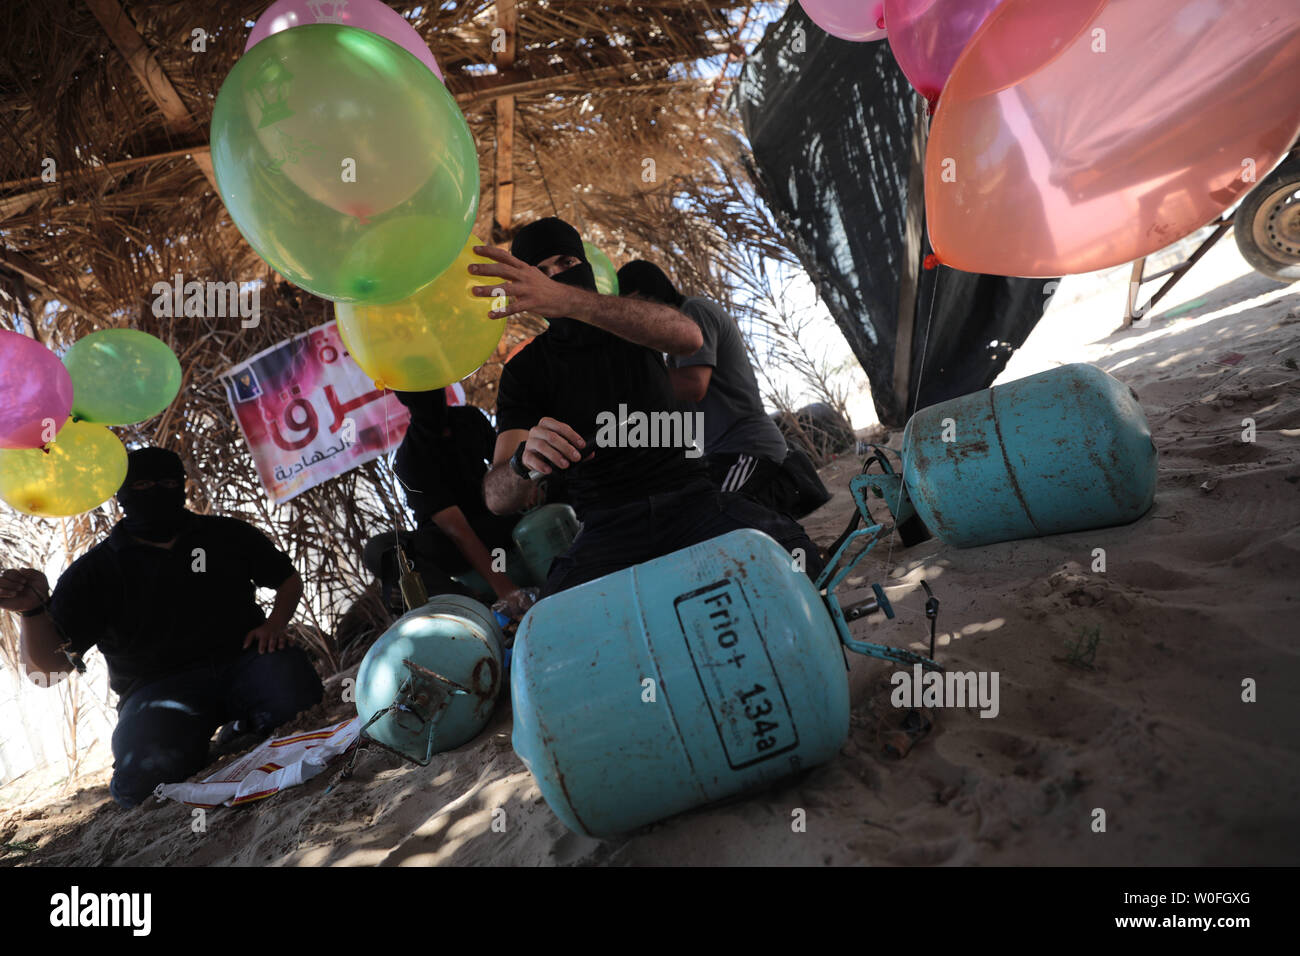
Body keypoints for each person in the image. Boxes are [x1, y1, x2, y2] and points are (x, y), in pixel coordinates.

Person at [469, 217, 824, 594]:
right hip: (607, 526)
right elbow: (496, 498)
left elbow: (687, 336)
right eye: (540, 272)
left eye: (565, 264)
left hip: (692, 499)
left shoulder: (629, 322)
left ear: (585, 266)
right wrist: (523, 464)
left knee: (796, 560)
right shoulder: (524, 371)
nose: (554, 277)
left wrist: (565, 299)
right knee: (556, 626)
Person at [0, 447, 322, 809]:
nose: (157, 491)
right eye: (143, 484)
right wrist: (32, 612)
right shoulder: (95, 572)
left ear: (182, 486)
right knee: (143, 784)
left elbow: (287, 580)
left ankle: (241, 728)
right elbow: (52, 670)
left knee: (300, 706)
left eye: (169, 482)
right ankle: (192, 741)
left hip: (246, 661)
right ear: (122, 495)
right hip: (156, 689)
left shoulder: (225, 534)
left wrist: (275, 624)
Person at [362, 387, 536, 615]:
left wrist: (528, 489)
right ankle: (469, 603)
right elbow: (457, 530)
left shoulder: (469, 419)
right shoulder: (410, 457)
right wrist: (505, 590)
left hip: (495, 519)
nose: (429, 397)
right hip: (449, 545)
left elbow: (504, 468)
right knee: (380, 550)